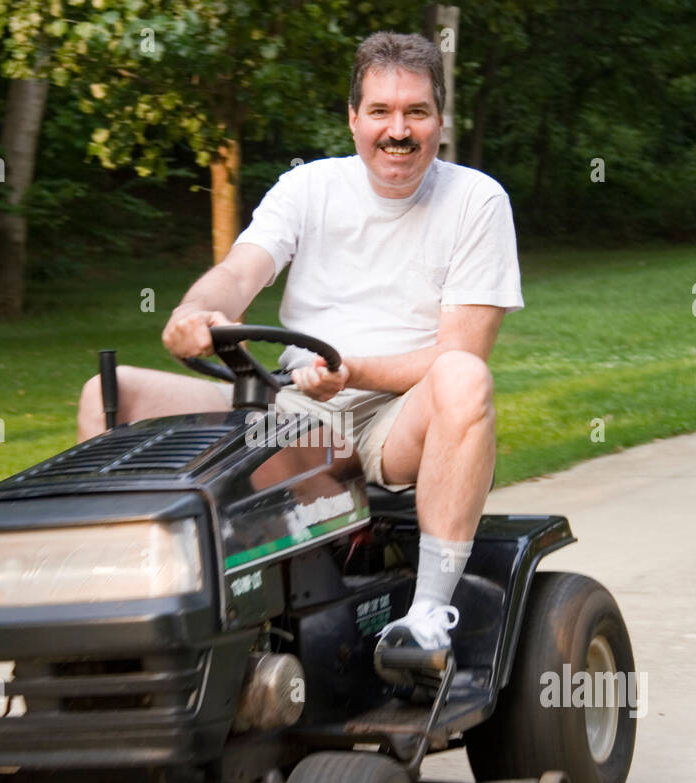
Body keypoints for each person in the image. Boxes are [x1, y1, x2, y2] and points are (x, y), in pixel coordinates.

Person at [78, 31, 522, 661]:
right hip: (293, 417)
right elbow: (241, 271)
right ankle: (116, 609)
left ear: (439, 121)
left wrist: (352, 370)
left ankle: (427, 618)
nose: (399, 130)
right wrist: (196, 309)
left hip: (394, 421)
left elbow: (460, 350)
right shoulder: (307, 189)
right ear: (353, 118)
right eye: (381, 112)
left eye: (415, 112)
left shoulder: (477, 201)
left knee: (464, 378)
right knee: (109, 393)